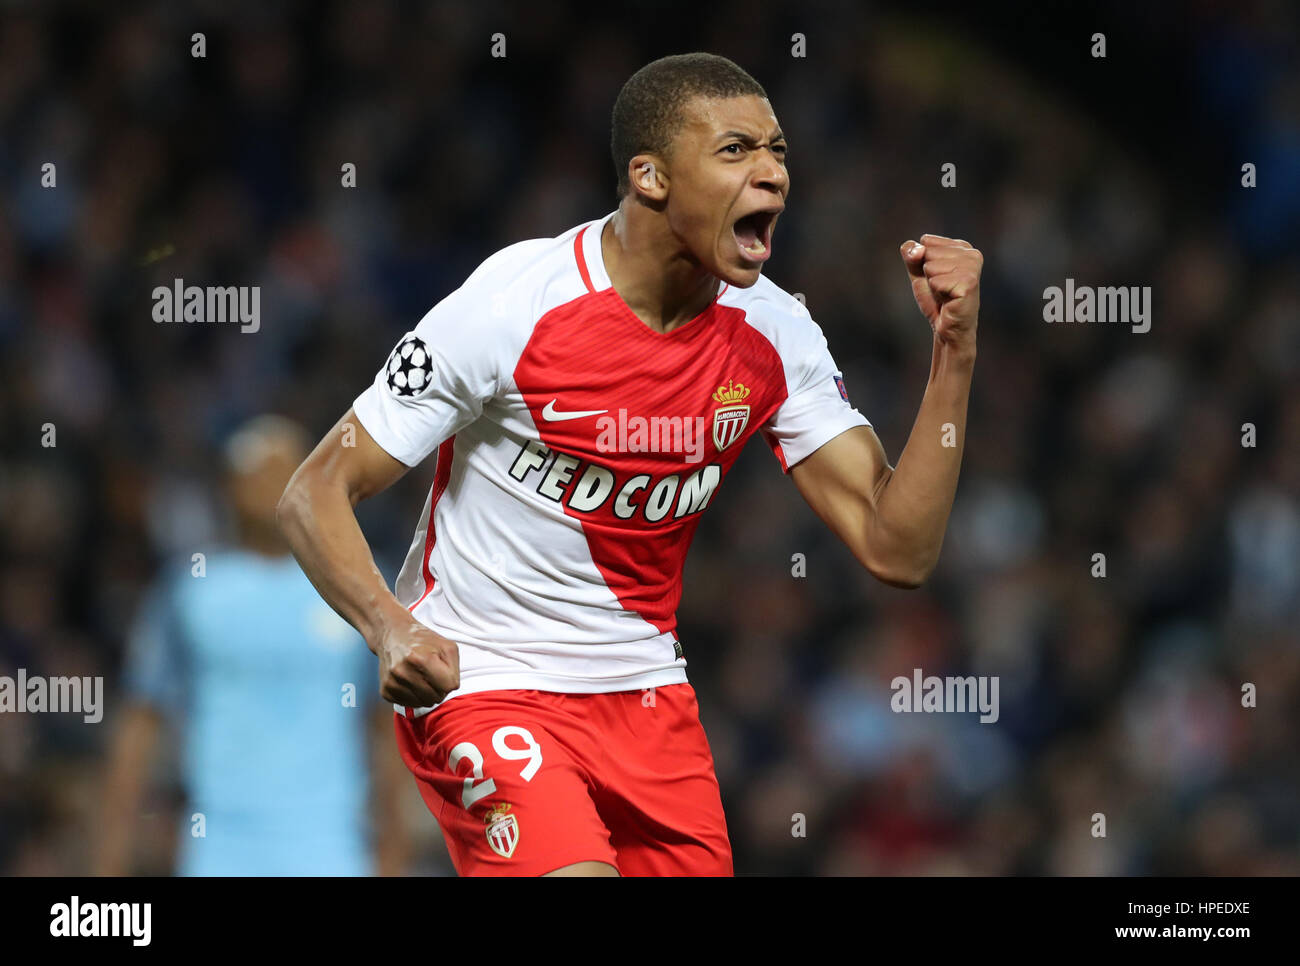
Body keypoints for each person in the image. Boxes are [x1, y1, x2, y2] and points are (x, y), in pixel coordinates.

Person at [276, 52, 982, 877]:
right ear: (650, 176)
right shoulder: (513, 305)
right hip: (485, 677)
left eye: (779, 151)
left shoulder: (776, 334)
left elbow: (897, 547)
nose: (773, 174)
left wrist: (955, 353)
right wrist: (388, 627)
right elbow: (314, 489)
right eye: (737, 150)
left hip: (645, 697)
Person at [96, 415, 412, 876]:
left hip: (331, 847)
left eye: (285, 467)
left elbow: (386, 730)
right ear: (228, 486)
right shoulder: (192, 591)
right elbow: (138, 729)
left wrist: (393, 851)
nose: (271, 483)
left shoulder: (361, 583)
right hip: (218, 847)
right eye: (256, 470)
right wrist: (109, 862)